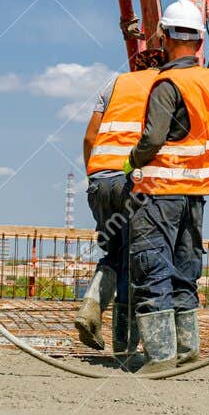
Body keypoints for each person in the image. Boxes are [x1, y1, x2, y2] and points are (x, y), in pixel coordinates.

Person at [125, 0, 209, 373]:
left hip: (161, 192)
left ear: (164, 37)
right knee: (185, 268)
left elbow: (153, 138)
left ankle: (160, 357)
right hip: (196, 196)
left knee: (153, 265)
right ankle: (187, 350)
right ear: (200, 41)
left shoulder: (168, 83)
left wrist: (133, 161)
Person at [75, 51, 161, 360]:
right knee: (134, 259)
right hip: (131, 180)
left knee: (113, 253)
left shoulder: (113, 85)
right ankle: (125, 346)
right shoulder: (163, 85)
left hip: (100, 179)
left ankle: (90, 308)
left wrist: (94, 174)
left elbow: (89, 137)